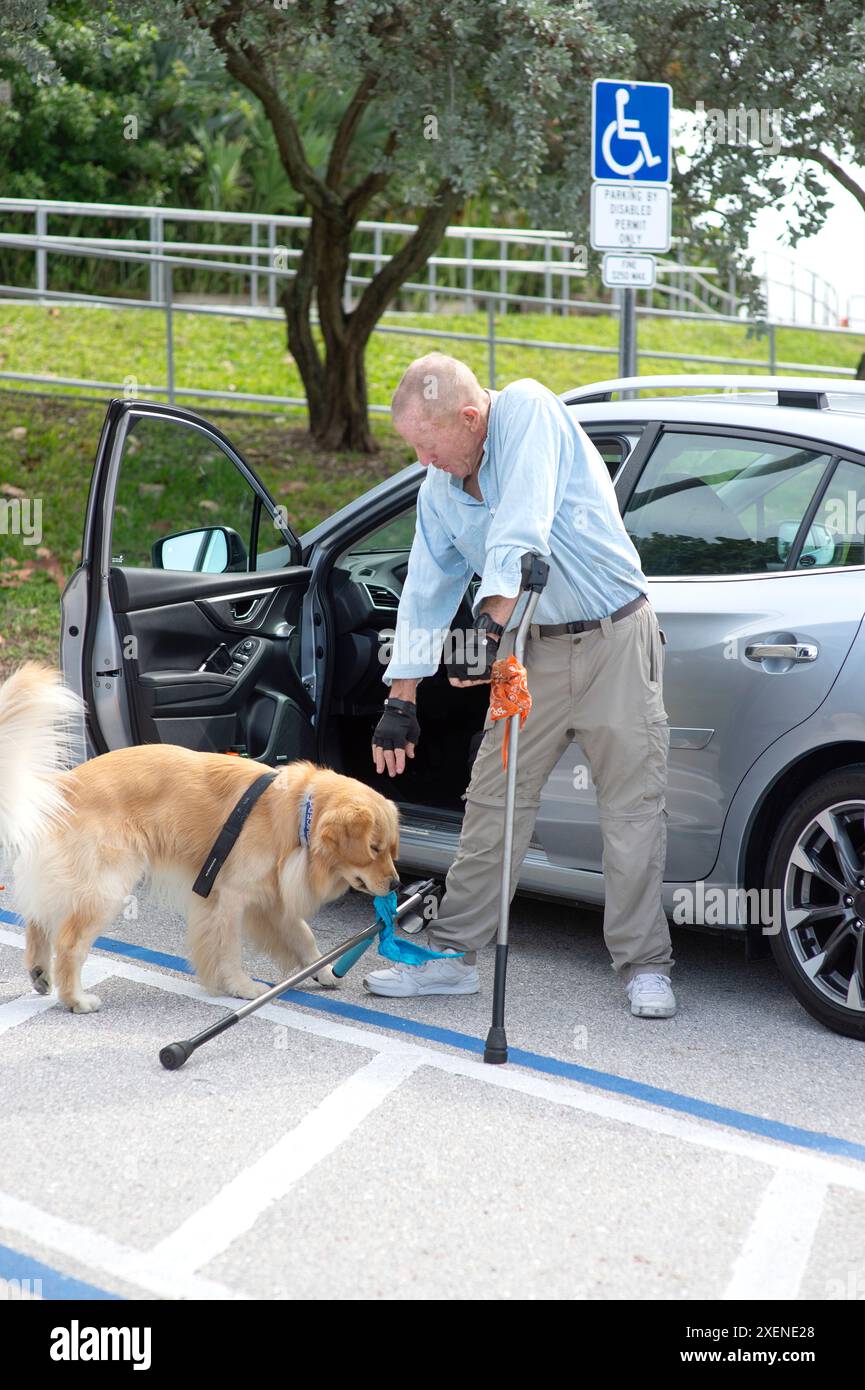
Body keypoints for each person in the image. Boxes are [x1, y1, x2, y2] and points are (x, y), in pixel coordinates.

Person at [367, 352, 675, 1018]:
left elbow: (522, 529)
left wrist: (485, 628)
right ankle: (453, 957)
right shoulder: (439, 486)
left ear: (470, 417)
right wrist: (402, 697)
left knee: (630, 811)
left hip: (613, 636)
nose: (423, 461)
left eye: (428, 444)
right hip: (528, 650)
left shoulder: (530, 409)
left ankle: (643, 964)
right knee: (492, 800)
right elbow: (426, 585)